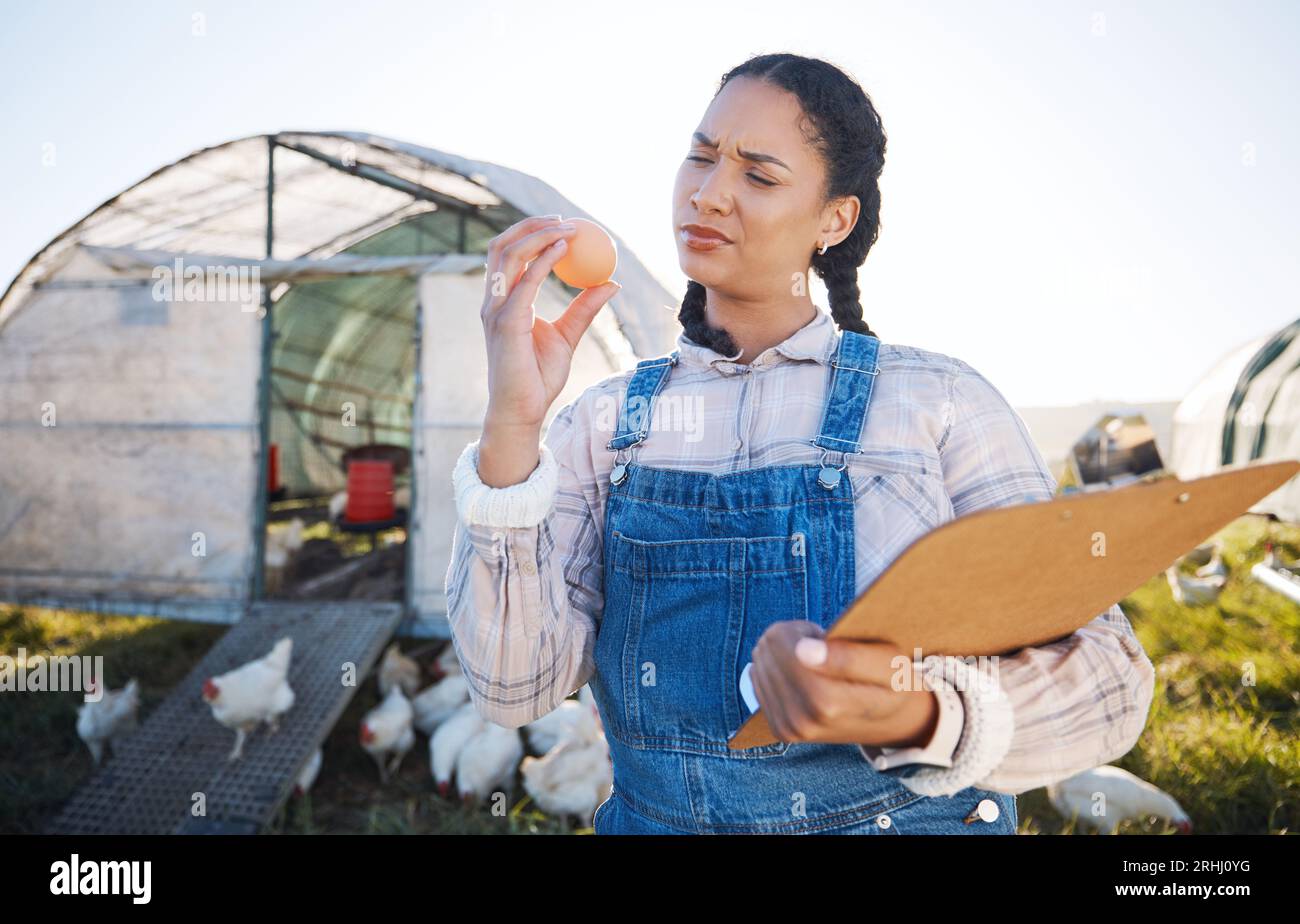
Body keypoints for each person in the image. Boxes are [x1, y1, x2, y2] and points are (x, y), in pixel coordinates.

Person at [444, 53, 1156, 834]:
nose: (709, 193)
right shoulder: (602, 421)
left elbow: (1107, 681)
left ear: (834, 220)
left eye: (760, 174)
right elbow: (514, 687)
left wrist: (915, 712)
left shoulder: (936, 401)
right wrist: (511, 425)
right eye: (701, 156)